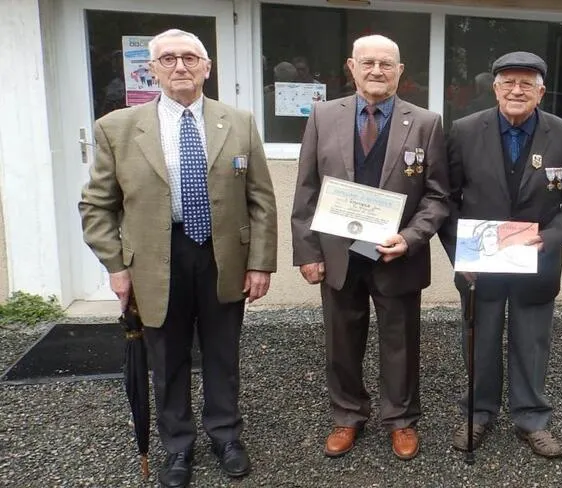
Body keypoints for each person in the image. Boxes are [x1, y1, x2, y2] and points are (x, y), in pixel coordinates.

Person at [79, 29, 277, 488]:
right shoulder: (118, 127)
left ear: (207, 67)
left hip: (221, 256)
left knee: (223, 353)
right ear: (153, 70)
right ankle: (178, 447)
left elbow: (260, 199)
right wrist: (116, 266)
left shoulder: (240, 122)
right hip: (153, 259)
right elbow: (97, 205)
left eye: (190, 58)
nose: (180, 67)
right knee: (166, 357)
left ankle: (226, 435)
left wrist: (260, 262)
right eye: (168, 59)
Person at [290, 34, 448, 461]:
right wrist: (307, 252)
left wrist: (411, 238)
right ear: (352, 67)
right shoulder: (323, 115)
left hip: (395, 253)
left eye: (386, 64)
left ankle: (400, 420)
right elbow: (306, 189)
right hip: (339, 251)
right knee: (341, 340)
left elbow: (437, 197)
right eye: (368, 63)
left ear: (400, 71)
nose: (377, 71)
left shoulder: (426, 122)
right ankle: (347, 416)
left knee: (401, 341)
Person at [440, 51, 562, 459]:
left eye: (527, 83)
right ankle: (479, 412)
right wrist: (461, 255)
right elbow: (446, 200)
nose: (517, 90)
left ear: (541, 91)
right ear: (494, 88)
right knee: (479, 341)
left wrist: (552, 238)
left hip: (536, 264)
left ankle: (531, 418)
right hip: (479, 267)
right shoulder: (464, 130)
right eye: (508, 82)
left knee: (531, 343)